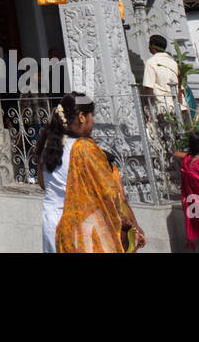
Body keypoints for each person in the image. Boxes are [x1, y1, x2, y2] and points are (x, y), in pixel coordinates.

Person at [35, 92, 145, 253]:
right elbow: (108, 192)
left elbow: (44, 184)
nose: (93, 122)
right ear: (81, 117)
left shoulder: (47, 144)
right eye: (92, 116)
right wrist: (128, 224)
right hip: (79, 226)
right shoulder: (84, 147)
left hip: (51, 224)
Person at [142, 35, 182, 115]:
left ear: (152, 46)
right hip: (178, 106)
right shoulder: (173, 62)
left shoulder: (151, 62)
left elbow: (149, 88)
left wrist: (147, 106)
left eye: (149, 44)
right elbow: (180, 85)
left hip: (163, 107)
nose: (148, 47)